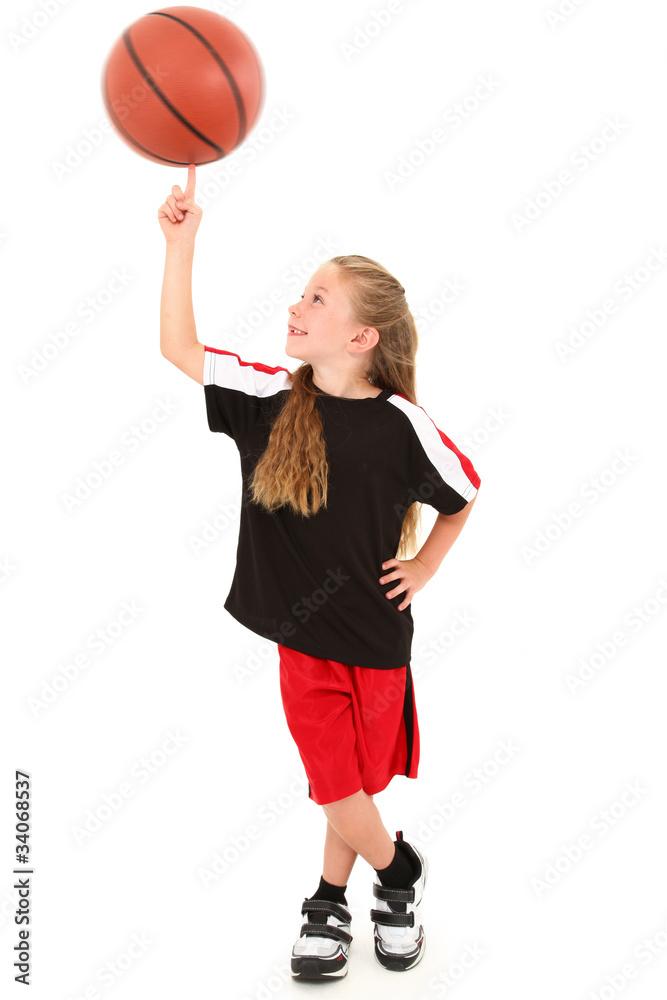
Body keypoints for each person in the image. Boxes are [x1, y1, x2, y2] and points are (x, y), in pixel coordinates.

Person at [158, 164, 481, 980]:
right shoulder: (267, 395)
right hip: (301, 639)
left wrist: (425, 566)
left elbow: (465, 492)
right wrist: (181, 242)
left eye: (315, 299)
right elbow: (178, 347)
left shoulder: (403, 424)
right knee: (335, 783)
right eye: (301, 293)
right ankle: (399, 875)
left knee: (356, 785)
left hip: (376, 638)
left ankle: (330, 904)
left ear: (360, 337)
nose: (295, 306)